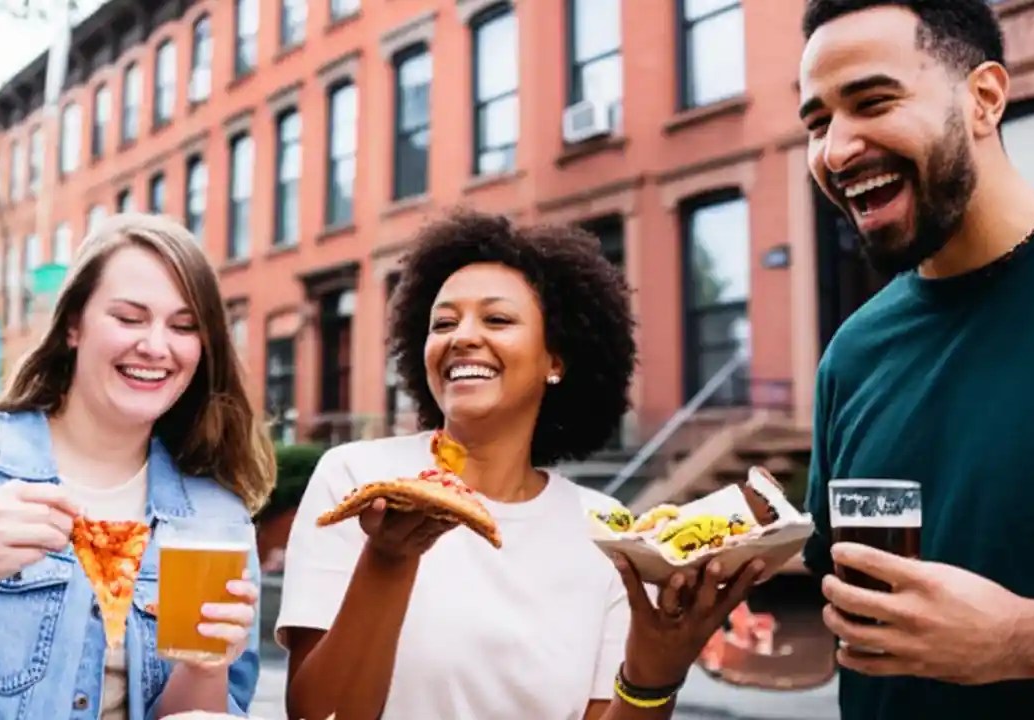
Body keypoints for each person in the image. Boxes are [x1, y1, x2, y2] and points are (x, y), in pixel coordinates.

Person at [797, 0, 1034, 717]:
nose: (835, 150)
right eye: (817, 123)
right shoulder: (852, 354)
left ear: (984, 98)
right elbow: (843, 600)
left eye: (872, 101)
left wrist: (1025, 640)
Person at [276, 210, 764, 720]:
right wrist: (389, 558)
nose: (461, 336)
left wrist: (656, 673)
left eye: (497, 319)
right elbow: (317, 716)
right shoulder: (360, 480)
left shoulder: (607, 531)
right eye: (443, 323)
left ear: (556, 359)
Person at [0, 213, 275, 719]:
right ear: (72, 325)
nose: (155, 345)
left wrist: (205, 668)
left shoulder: (218, 521)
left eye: (184, 326)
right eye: (128, 318)